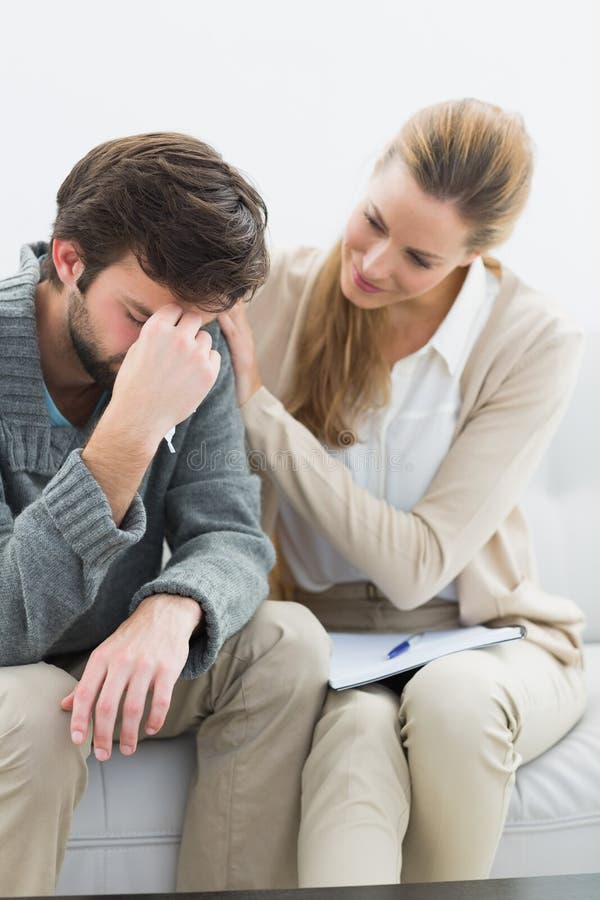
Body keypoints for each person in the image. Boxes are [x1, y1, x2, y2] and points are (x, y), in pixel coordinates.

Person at [219, 98, 588, 886]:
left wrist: (262, 413)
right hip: (332, 639)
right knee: (355, 739)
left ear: (476, 254)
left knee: (454, 703)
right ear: (370, 177)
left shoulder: (532, 338)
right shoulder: (276, 291)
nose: (375, 263)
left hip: (486, 637)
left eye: (419, 258)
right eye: (373, 220)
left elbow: (417, 568)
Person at [0, 132, 331, 896]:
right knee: (35, 713)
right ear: (69, 259)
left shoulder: (190, 345)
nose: (168, 350)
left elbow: (232, 537)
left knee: (288, 645)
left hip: (110, 653)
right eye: (140, 317)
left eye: (192, 326)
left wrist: (173, 608)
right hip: (12, 670)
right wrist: (129, 431)